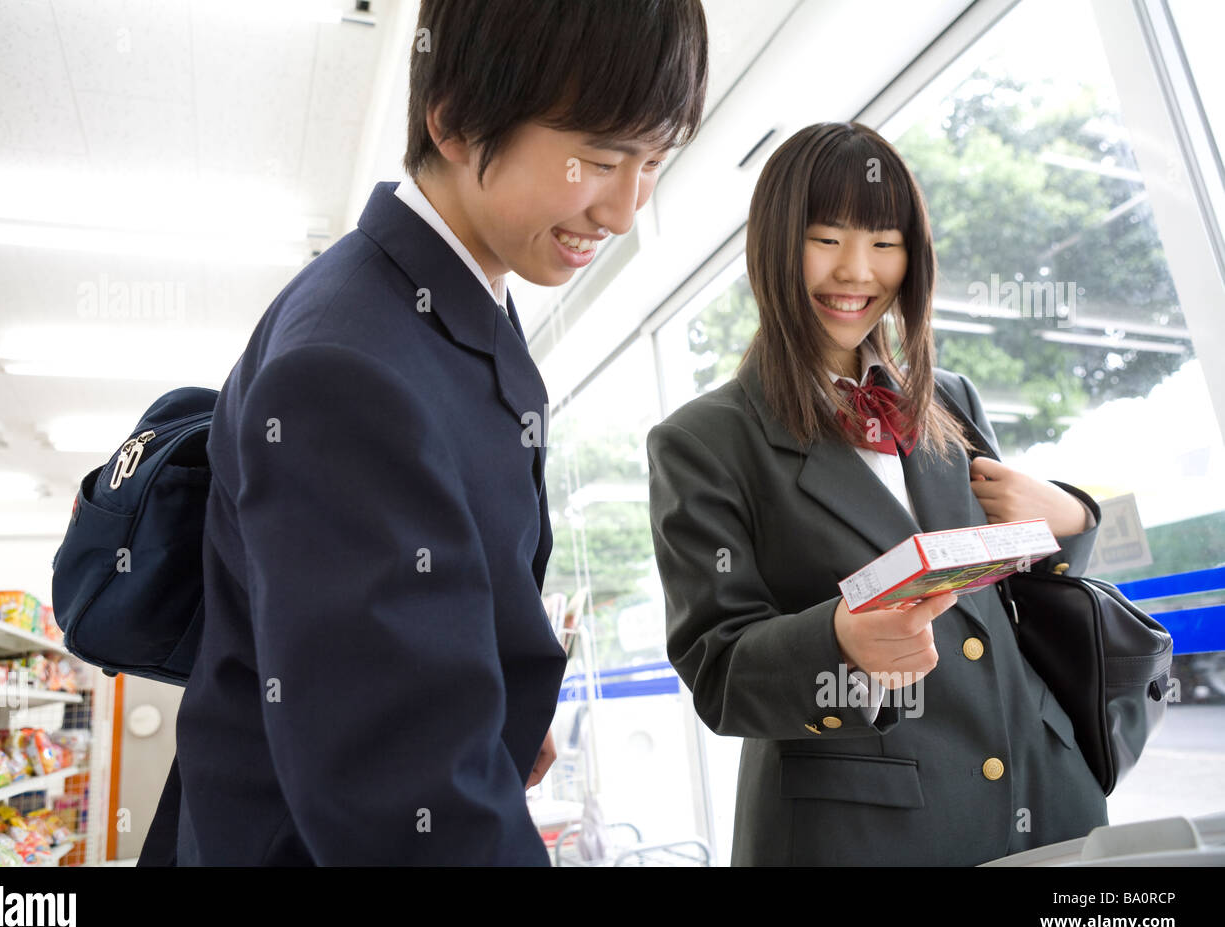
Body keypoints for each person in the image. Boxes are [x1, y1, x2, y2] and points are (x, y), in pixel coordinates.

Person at [138, 0, 708, 865]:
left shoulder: (452, 302)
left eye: (654, 163)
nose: (624, 211)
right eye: (597, 160)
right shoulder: (346, 365)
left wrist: (497, 712)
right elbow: (398, 795)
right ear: (454, 120)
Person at [646, 121, 1107, 866]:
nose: (856, 271)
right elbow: (717, 667)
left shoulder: (948, 399)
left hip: (1043, 793)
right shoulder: (703, 440)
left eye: (884, 243)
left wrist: (1072, 519)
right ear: (772, 246)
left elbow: (1012, 576)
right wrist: (841, 644)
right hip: (869, 832)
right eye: (826, 239)